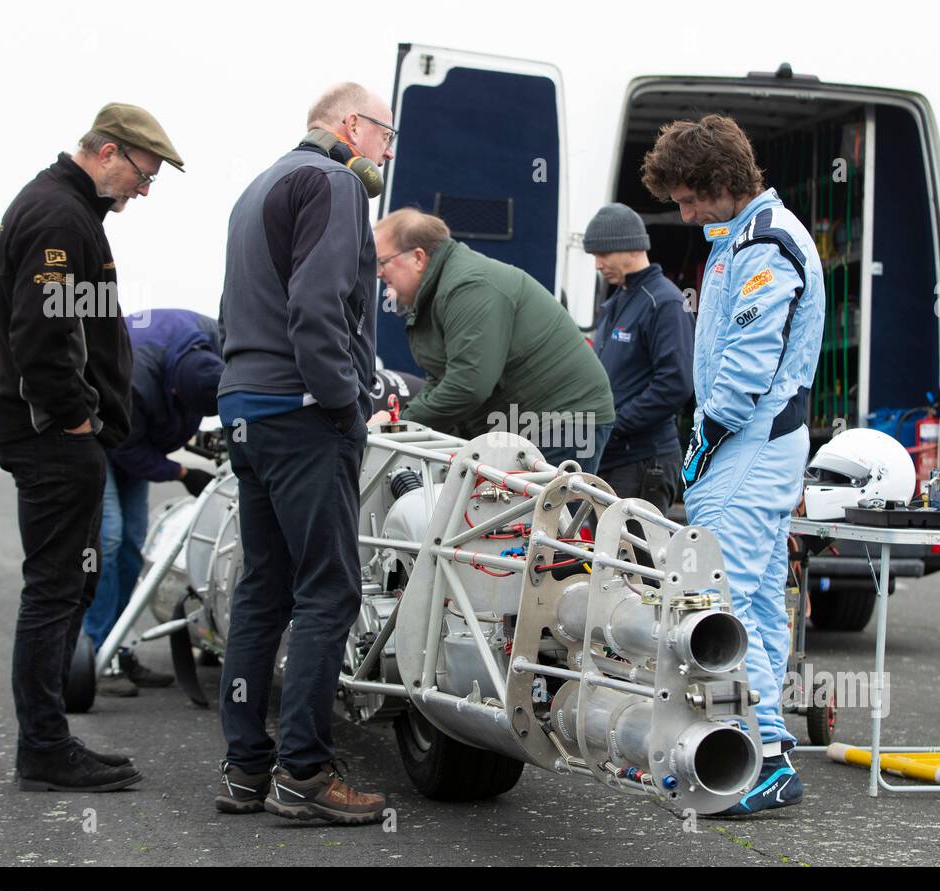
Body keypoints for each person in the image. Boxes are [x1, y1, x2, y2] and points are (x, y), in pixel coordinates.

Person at [0, 102, 184, 792]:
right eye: (142, 176)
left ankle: (49, 737)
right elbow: (38, 328)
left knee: (73, 580)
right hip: (54, 441)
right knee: (56, 587)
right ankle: (43, 745)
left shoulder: (57, 207)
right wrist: (69, 415)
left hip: (56, 433)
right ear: (107, 152)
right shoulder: (61, 216)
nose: (143, 192)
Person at [214, 83, 391, 823]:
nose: (387, 151)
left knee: (263, 591)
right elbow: (317, 306)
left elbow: (245, 304)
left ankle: (244, 770)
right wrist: (345, 403)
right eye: (386, 133)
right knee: (329, 591)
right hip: (300, 411)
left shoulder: (259, 187)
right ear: (351, 125)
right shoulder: (336, 181)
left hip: (245, 406)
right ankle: (305, 776)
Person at [641, 114, 825, 813]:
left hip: (749, 441)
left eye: (688, 199)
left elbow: (748, 366)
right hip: (756, 441)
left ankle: (768, 761)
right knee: (759, 602)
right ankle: (766, 736)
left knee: (730, 601)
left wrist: (704, 444)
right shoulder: (742, 238)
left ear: (722, 183)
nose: (683, 214)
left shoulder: (765, 245)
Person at [374, 208, 616, 471]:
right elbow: (444, 378)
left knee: (543, 512)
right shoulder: (443, 289)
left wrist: (399, 426)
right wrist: (399, 422)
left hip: (563, 420)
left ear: (419, 258)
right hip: (524, 422)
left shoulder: (468, 287)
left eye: (382, 261)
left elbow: (469, 384)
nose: (377, 272)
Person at [84, 308, 225, 697]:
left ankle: (120, 647)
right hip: (100, 439)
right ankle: (96, 650)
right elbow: (126, 447)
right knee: (108, 539)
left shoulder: (216, 342)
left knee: (132, 545)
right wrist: (182, 473)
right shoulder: (134, 378)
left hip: (139, 434)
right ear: (172, 388)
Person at [583, 203, 693, 513]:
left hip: (644, 464)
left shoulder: (665, 302)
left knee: (635, 560)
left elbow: (676, 384)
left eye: (602, 254)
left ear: (630, 247)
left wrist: (615, 424)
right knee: (606, 560)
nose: (597, 264)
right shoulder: (617, 301)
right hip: (612, 460)